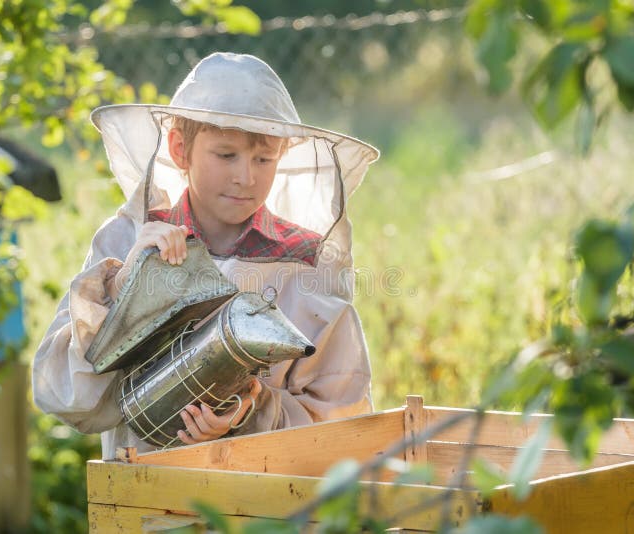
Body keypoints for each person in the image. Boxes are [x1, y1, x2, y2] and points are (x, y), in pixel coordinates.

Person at [32, 52, 380, 458]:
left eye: (263, 158)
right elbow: (62, 395)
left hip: (263, 508)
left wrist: (249, 410)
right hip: (144, 501)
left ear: (283, 153)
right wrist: (123, 286)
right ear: (180, 148)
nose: (246, 177)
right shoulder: (128, 242)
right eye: (226, 154)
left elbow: (344, 424)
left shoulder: (305, 264)